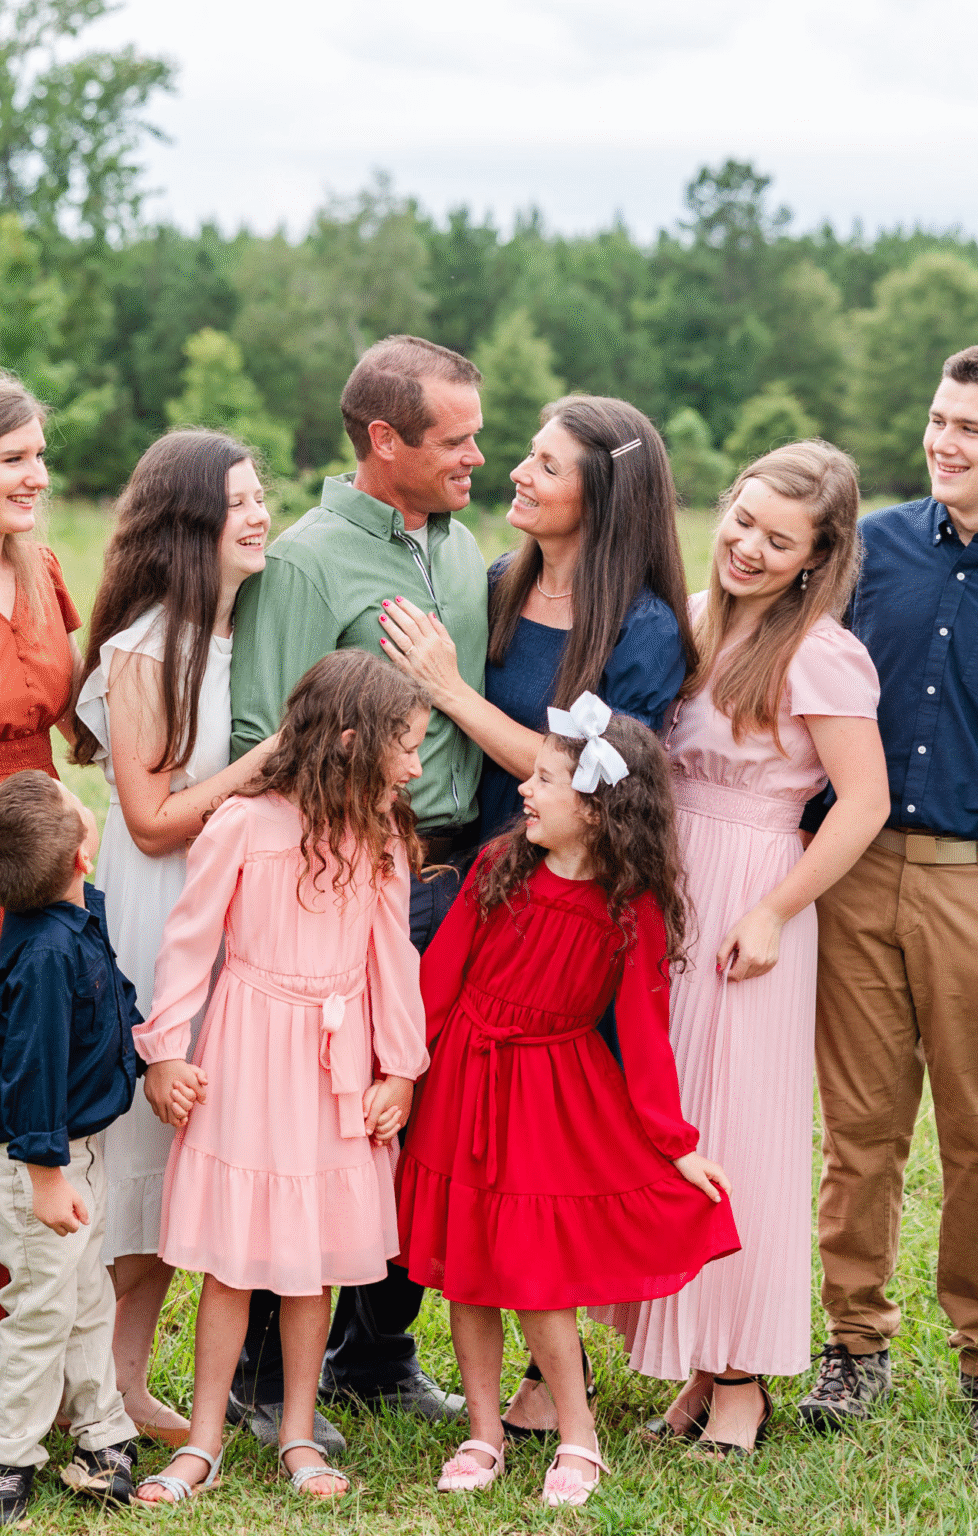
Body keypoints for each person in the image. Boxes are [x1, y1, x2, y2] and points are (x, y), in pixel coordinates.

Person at [598, 441, 890, 1455]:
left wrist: (773, 910)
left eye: (780, 539)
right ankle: (692, 1364)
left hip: (752, 898)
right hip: (666, 890)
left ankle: (742, 1381)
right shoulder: (691, 621)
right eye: (742, 521)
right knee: (675, 1125)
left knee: (745, 1139)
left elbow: (864, 802)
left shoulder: (820, 652)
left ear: (817, 556)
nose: (749, 548)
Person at [228, 335, 487, 1427]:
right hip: (350, 879)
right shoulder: (305, 561)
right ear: (385, 441)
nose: (479, 457)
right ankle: (250, 1373)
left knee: (421, 1117)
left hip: (459, 870)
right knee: (318, 1122)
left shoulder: (467, 544)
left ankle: (376, 1351)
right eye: (457, 440)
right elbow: (262, 736)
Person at [396, 701, 739, 1506]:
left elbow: (646, 1035)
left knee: (536, 1277)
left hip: (550, 1094)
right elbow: (440, 979)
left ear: (596, 804)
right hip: (465, 1082)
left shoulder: (631, 908)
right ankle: (483, 1432)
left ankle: (578, 1437)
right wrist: (404, 1074)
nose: (526, 787)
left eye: (545, 779)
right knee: (471, 1274)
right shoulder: (498, 865)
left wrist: (675, 1142)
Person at [130, 652, 431, 1505]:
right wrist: (166, 1051)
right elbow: (189, 947)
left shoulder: (376, 840)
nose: (415, 765)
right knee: (231, 1262)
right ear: (349, 741)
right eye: (405, 746)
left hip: (334, 1067)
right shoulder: (241, 826)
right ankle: (203, 1440)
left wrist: (400, 1070)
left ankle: (298, 1431)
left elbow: (392, 965)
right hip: (246, 1054)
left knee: (312, 1261)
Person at [71, 430, 280, 1447]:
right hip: (160, 907)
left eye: (260, 496)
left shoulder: (255, 631)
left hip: (236, 911)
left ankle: (121, 1379)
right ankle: (92, 1378)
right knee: (143, 1145)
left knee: (188, 1153)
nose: (258, 514)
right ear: (187, 526)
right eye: (235, 502)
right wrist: (272, 762)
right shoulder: (145, 646)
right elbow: (152, 818)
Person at [797, 346, 978, 1434]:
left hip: (971, 879)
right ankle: (854, 1344)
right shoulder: (873, 551)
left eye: (970, 429)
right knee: (862, 1131)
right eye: (939, 419)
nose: (944, 442)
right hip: (854, 877)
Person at [379, 394, 695, 843]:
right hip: (460, 855)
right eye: (531, 453)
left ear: (604, 500)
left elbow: (599, 777)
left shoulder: (644, 629)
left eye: (548, 467)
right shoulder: (500, 582)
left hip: (548, 871)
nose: (518, 473)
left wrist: (450, 690)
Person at [0, 771, 143, 1522]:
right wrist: (46, 1177)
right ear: (84, 855)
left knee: (87, 1300)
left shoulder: (79, 916)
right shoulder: (43, 957)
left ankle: (100, 1430)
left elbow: (113, 1013)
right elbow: (34, 1072)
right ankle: (8, 1455)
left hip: (78, 1153)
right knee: (38, 1310)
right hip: (41, 1166)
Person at [0, 372, 83, 789]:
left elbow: (83, 725)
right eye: (14, 459)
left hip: (43, 824)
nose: (40, 479)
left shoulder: (42, 571)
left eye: (40, 456)